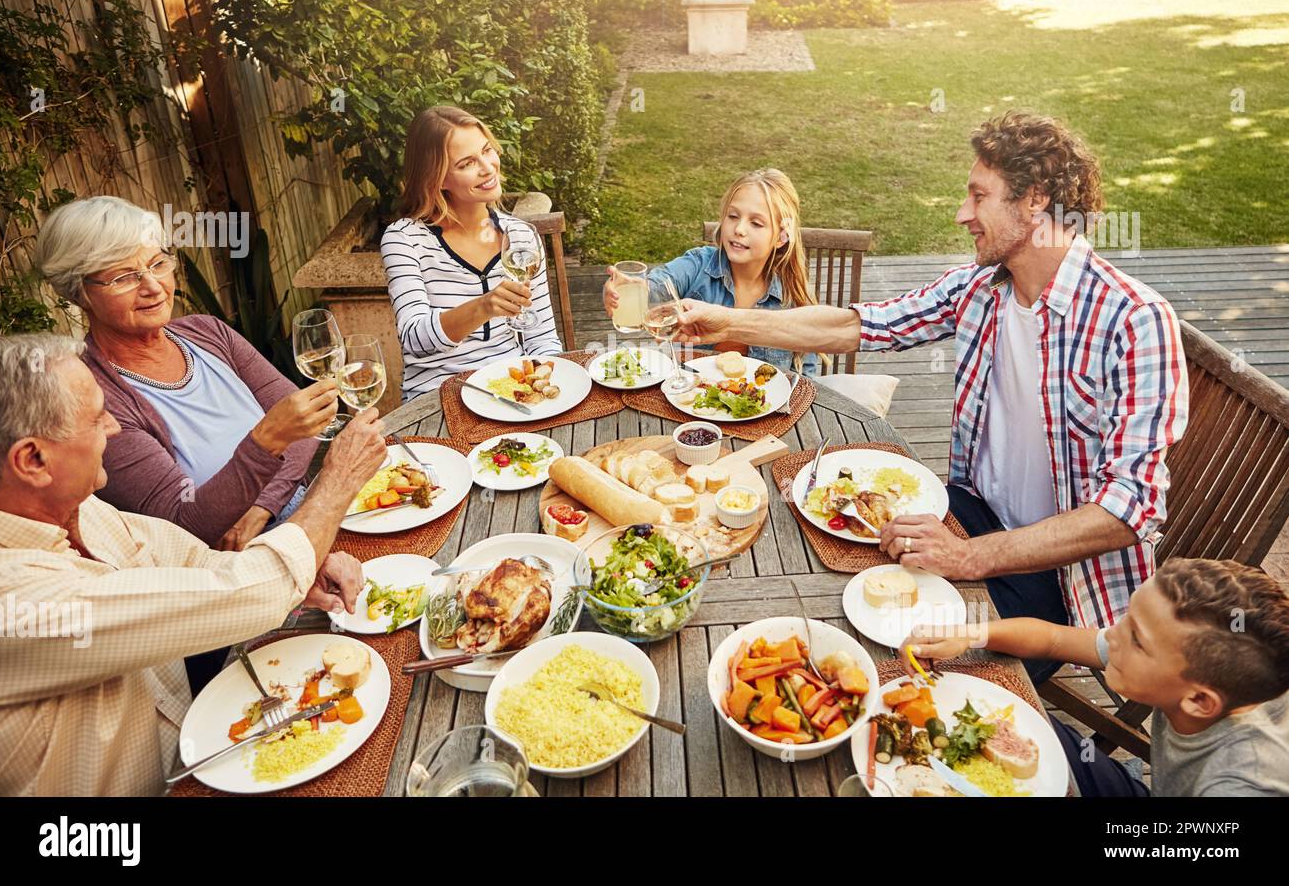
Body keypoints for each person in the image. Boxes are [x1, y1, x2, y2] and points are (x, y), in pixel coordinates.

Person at [674, 112, 1189, 682]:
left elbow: (1128, 510)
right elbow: (859, 326)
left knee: (898, 671)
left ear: (1036, 200)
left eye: (978, 196)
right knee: (833, 573)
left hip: (1062, 584)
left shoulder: (1133, 322)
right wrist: (728, 319)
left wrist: (969, 557)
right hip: (965, 514)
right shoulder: (982, 287)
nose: (962, 213)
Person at [0, 333, 384, 796]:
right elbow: (244, 592)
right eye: (97, 418)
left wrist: (296, 571)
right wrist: (335, 483)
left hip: (203, 756)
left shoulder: (79, 507)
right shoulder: (13, 599)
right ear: (32, 460)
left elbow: (198, 561)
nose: (114, 428)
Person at [33, 196, 338, 553]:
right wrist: (268, 440)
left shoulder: (208, 332)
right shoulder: (92, 395)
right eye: (123, 277)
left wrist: (262, 506)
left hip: (302, 513)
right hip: (228, 564)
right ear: (80, 292)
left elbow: (307, 424)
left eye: (157, 263)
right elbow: (185, 522)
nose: (152, 286)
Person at [901, 557, 1289, 796]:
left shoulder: (1245, 782)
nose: (1112, 635)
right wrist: (970, 633)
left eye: (1137, 640)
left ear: (1200, 702)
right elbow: (1053, 639)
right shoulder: (1189, 669)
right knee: (1022, 719)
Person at [381, 105, 562, 401]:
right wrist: (483, 307)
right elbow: (415, 339)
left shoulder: (521, 236)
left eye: (487, 151)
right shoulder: (404, 240)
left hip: (510, 394)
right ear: (436, 178)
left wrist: (545, 387)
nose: (487, 167)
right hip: (436, 398)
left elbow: (541, 337)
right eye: (466, 164)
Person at [603, 168, 824, 376]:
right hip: (687, 402)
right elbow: (657, 285)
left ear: (780, 237)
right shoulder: (698, 264)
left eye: (756, 223)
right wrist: (629, 288)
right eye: (733, 216)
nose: (739, 229)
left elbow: (804, 378)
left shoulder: (792, 299)